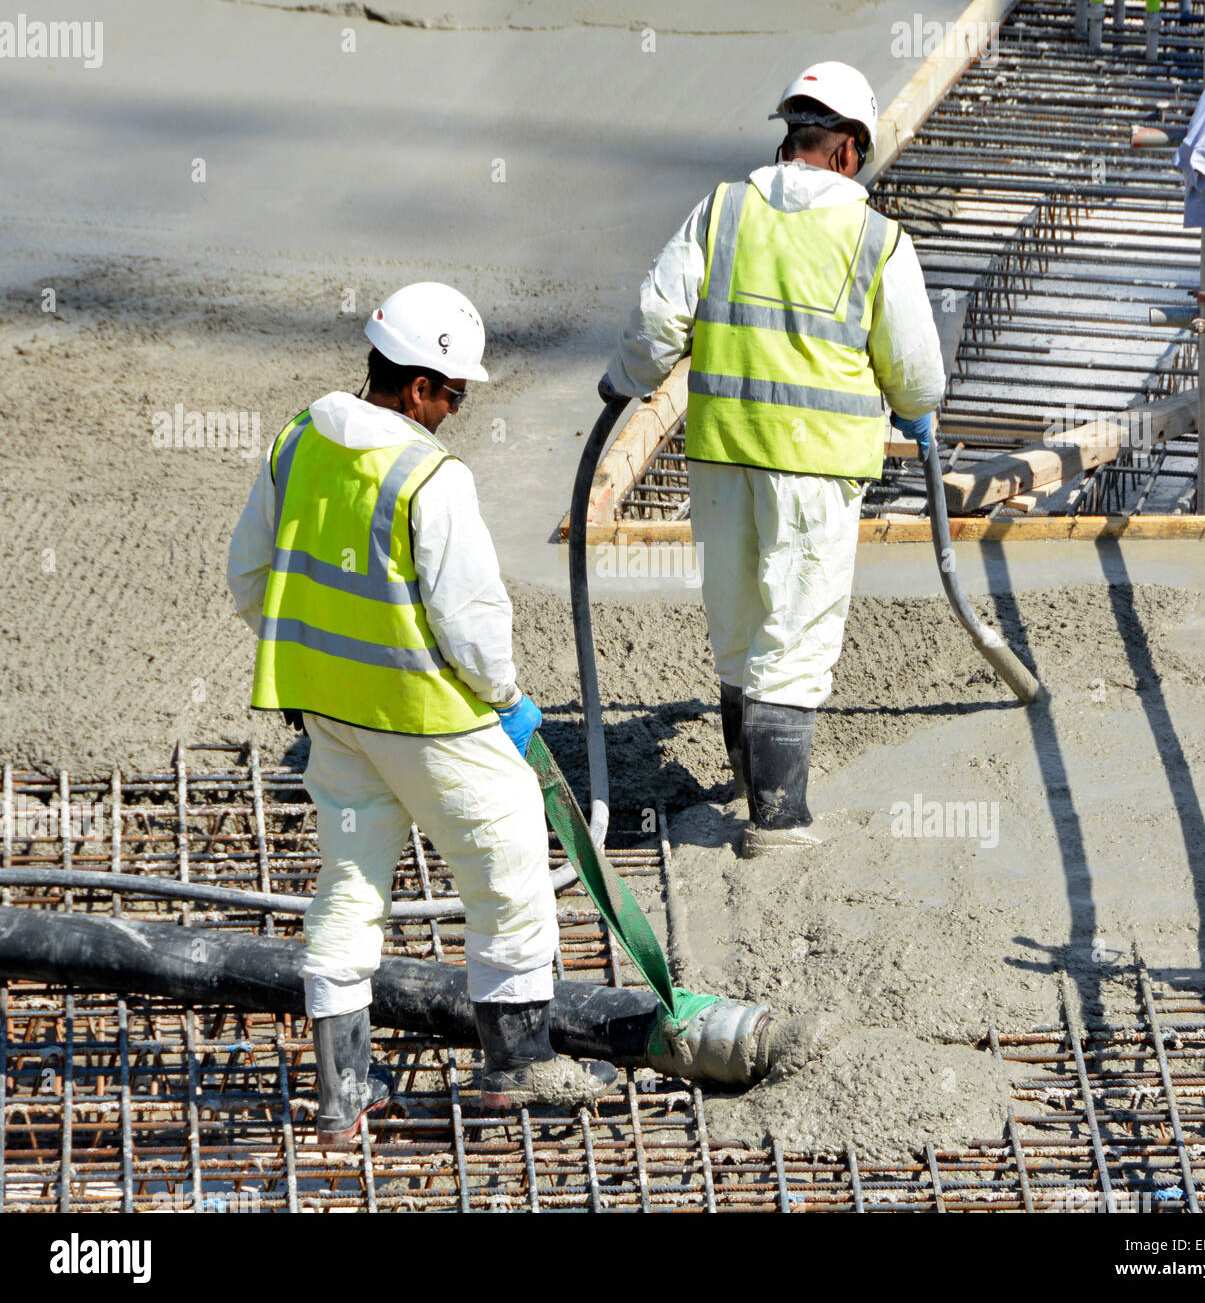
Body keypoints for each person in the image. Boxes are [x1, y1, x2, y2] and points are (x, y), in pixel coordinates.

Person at [228, 281, 614, 1142]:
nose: (456, 411)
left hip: (327, 716)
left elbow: (249, 577)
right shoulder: (427, 476)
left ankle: (343, 1095)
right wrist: (507, 701)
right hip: (428, 718)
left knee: (350, 885)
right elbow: (472, 625)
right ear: (416, 388)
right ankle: (517, 1067)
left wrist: (318, 663)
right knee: (509, 861)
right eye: (455, 395)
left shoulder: (300, 438)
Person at [599, 62, 945, 859]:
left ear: (793, 137)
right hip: (816, 472)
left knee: (739, 618)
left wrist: (626, 382)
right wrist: (918, 414)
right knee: (797, 630)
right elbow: (916, 368)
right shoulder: (875, 238)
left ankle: (745, 777)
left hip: (721, 457)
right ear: (851, 150)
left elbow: (657, 317)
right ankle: (776, 822)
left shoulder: (724, 211)